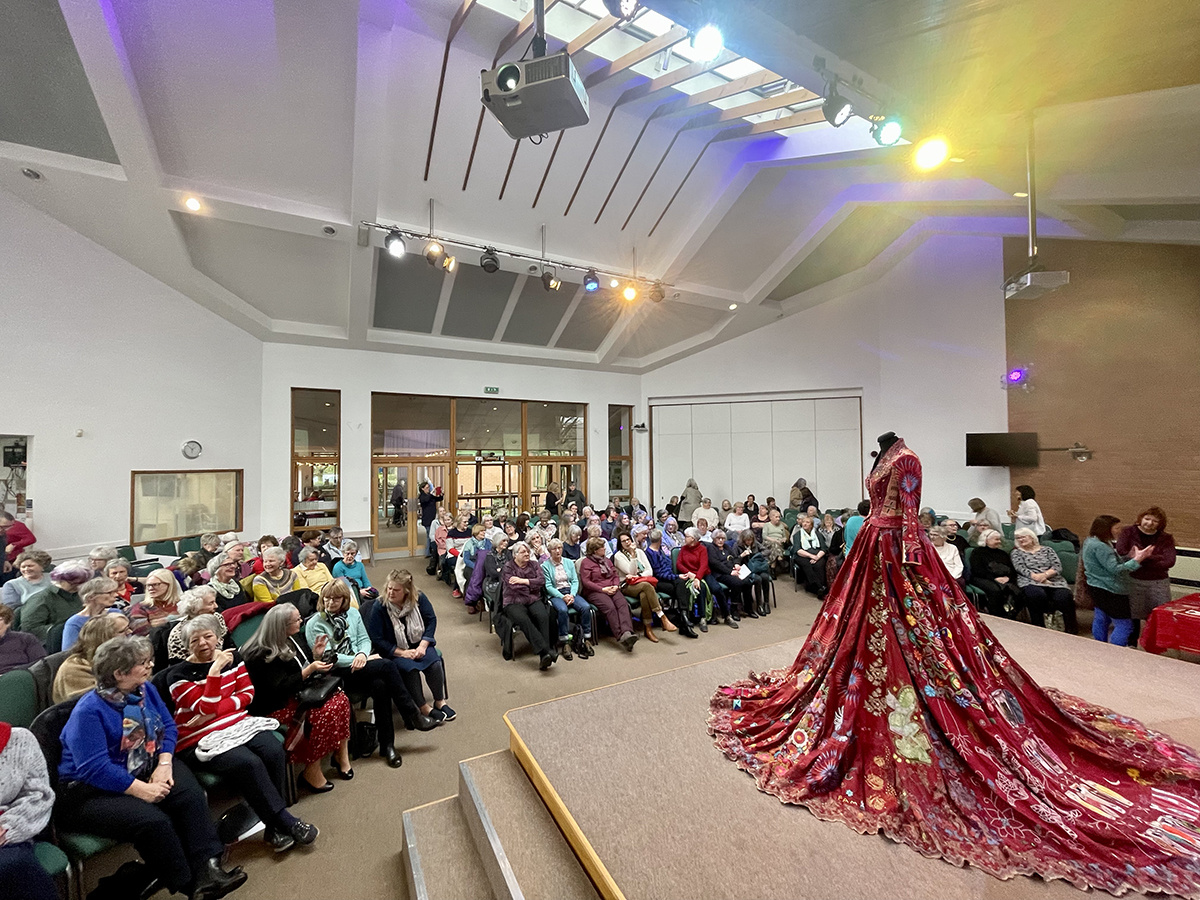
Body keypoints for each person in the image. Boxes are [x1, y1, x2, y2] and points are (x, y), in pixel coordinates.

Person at [709, 433, 1200, 896]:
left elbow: (907, 515)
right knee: (852, 626)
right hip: (871, 550)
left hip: (893, 552)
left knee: (910, 637)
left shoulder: (906, 458)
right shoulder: (885, 455)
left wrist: (906, 560)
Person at [57, 635, 248, 899]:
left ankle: (209, 868)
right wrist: (140, 790)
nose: (150, 666)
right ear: (119, 674)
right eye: (142, 663)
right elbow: (94, 768)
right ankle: (191, 885)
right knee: (153, 821)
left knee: (188, 795)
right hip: (88, 790)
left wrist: (165, 764)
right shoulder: (88, 711)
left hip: (144, 764)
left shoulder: (143, 690)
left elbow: (168, 727)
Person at [164, 614, 319, 852]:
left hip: (237, 723)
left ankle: (274, 827)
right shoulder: (177, 675)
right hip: (198, 737)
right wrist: (215, 671)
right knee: (249, 763)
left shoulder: (234, 658)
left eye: (208, 636)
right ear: (187, 646)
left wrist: (217, 708)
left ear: (218, 637)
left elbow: (247, 695)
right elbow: (204, 708)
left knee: (273, 751)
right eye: (195, 640)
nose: (203, 643)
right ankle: (286, 822)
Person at [241, 603, 353, 792]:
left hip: (297, 694)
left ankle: (341, 754)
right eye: (297, 620)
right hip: (275, 706)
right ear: (282, 626)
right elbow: (279, 688)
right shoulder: (259, 654)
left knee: (341, 699)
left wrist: (314, 655)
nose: (301, 622)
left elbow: (297, 668)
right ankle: (311, 770)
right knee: (320, 714)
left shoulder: (290, 638)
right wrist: (310, 669)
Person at [366, 570, 455, 721]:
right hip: (394, 649)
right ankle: (423, 707)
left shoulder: (419, 597)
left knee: (434, 664)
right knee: (410, 669)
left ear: (406, 591)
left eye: (396, 590)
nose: (391, 593)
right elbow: (376, 638)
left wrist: (423, 645)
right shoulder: (380, 606)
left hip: (419, 643)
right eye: (389, 588)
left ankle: (440, 701)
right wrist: (402, 653)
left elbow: (431, 620)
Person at [0, 720, 58, 900]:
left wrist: (8, 827)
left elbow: (39, 796)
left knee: (14, 865)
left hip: (8, 834)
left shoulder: (19, 740)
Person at [1083, 515, 1152, 645]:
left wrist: (1129, 557)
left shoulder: (1091, 541)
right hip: (1110, 590)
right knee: (1125, 625)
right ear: (1106, 529)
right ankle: (1115, 652)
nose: (1120, 530)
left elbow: (1106, 563)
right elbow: (1116, 569)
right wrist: (1138, 560)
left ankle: (1099, 646)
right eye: (1117, 528)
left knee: (1101, 618)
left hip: (1096, 586)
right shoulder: (1101, 546)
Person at [1114, 506, 1176, 636]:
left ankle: (1156, 643)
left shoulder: (1166, 538)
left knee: (1160, 613)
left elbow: (1170, 561)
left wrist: (1141, 558)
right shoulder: (1128, 532)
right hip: (1133, 579)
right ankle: (1132, 642)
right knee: (1133, 613)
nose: (1149, 523)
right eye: (1147, 519)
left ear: (1160, 524)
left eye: (1155, 521)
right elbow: (1121, 552)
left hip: (1158, 582)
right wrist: (1156, 558)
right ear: (1141, 519)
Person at [499, 542, 558, 669]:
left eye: (528, 552)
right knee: (524, 620)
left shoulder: (534, 564)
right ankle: (545, 651)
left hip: (533, 599)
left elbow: (542, 581)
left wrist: (524, 581)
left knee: (543, 615)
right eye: (523, 552)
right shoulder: (508, 567)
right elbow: (512, 586)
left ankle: (544, 657)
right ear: (515, 555)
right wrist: (531, 585)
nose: (527, 554)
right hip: (513, 601)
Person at [614, 531, 676, 643]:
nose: (627, 542)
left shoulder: (640, 552)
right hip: (626, 586)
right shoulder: (618, 556)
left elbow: (649, 571)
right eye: (624, 541)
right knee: (647, 587)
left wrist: (638, 576)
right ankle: (662, 616)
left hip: (641, 583)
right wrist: (633, 556)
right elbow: (630, 571)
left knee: (644, 594)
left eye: (628, 539)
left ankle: (648, 629)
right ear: (620, 543)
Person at [1010, 528, 1077, 633]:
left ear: (1032, 537)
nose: (1021, 539)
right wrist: (1036, 577)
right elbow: (1020, 568)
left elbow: (1057, 566)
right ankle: (1039, 627)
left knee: (1064, 596)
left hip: (1053, 580)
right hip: (1030, 580)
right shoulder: (1016, 553)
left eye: (1023, 536)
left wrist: (1045, 575)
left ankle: (1070, 629)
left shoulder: (1047, 550)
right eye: (1018, 538)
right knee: (1036, 595)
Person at [53, 613, 130, 703]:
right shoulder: (74, 670)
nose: (130, 632)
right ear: (103, 640)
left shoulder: (119, 659)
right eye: (122, 631)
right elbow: (94, 702)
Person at [579, 537, 638, 651]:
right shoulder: (586, 562)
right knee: (610, 608)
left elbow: (615, 575)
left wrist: (616, 585)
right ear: (595, 550)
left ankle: (627, 632)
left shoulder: (606, 560)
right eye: (602, 547)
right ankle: (620, 636)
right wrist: (603, 589)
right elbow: (587, 582)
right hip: (595, 591)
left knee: (622, 604)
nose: (605, 548)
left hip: (612, 587)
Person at [541, 539, 594, 659]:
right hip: (556, 593)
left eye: (559, 548)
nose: (558, 551)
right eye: (554, 549)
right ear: (549, 551)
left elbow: (575, 581)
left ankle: (586, 638)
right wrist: (562, 597)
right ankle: (565, 642)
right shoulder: (545, 566)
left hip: (570, 592)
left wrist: (572, 594)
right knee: (562, 610)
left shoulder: (569, 562)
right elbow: (548, 586)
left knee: (585, 607)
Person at [21, 560, 89, 646]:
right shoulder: (42, 599)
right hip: (53, 644)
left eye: (81, 582)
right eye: (73, 583)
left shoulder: (82, 595)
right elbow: (30, 629)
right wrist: (65, 629)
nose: (78, 586)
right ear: (60, 580)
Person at [678, 527, 730, 629]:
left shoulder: (702, 549)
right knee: (700, 589)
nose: (685, 538)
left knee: (717, 589)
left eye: (687, 536)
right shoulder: (683, 549)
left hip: (704, 574)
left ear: (693, 538)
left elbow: (704, 565)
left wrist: (697, 577)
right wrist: (689, 573)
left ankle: (727, 615)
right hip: (691, 575)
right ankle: (702, 618)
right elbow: (679, 564)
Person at [967, 530, 1022, 618]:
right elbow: (978, 570)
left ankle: (1012, 614)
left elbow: (1012, 569)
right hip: (983, 577)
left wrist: (1008, 578)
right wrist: (994, 578)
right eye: (996, 539)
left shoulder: (1003, 553)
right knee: (995, 590)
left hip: (1004, 578)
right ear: (986, 540)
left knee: (1018, 591)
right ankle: (996, 615)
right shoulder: (977, 552)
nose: (999, 542)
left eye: (999, 539)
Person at [62, 576, 122, 652]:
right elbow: (68, 652)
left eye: (115, 591)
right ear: (91, 597)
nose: (116, 595)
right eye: (110, 593)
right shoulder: (75, 622)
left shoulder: (116, 613)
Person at [166, 587, 226, 662]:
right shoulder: (178, 635)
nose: (216, 606)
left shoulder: (217, 618)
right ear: (197, 608)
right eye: (211, 603)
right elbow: (180, 666)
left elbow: (228, 644)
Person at [128, 567, 182, 635]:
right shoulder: (139, 609)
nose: (150, 588)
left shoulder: (183, 604)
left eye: (156, 584)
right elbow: (140, 633)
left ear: (169, 584)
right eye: (148, 585)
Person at [0, 603, 45, 674]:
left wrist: (16, 671)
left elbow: (41, 663)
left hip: (25, 678)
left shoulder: (26, 639)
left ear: (8, 622)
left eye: (0, 619)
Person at [790, 516, 829, 597]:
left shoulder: (818, 534)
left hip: (817, 554)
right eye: (804, 522)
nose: (805, 524)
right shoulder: (797, 535)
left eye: (807, 522)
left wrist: (817, 557)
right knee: (807, 564)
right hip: (802, 555)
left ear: (811, 525)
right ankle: (819, 587)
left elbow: (823, 548)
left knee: (819, 564)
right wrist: (811, 556)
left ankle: (817, 587)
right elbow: (797, 550)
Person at [760, 509, 790, 574]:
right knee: (774, 544)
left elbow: (784, 536)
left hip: (779, 543)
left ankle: (772, 568)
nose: (778, 519)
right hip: (768, 542)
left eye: (779, 517)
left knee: (775, 548)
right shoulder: (767, 525)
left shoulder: (781, 525)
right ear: (771, 517)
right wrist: (775, 540)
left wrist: (784, 539)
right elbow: (764, 536)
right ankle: (780, 558)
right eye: (776, 517)